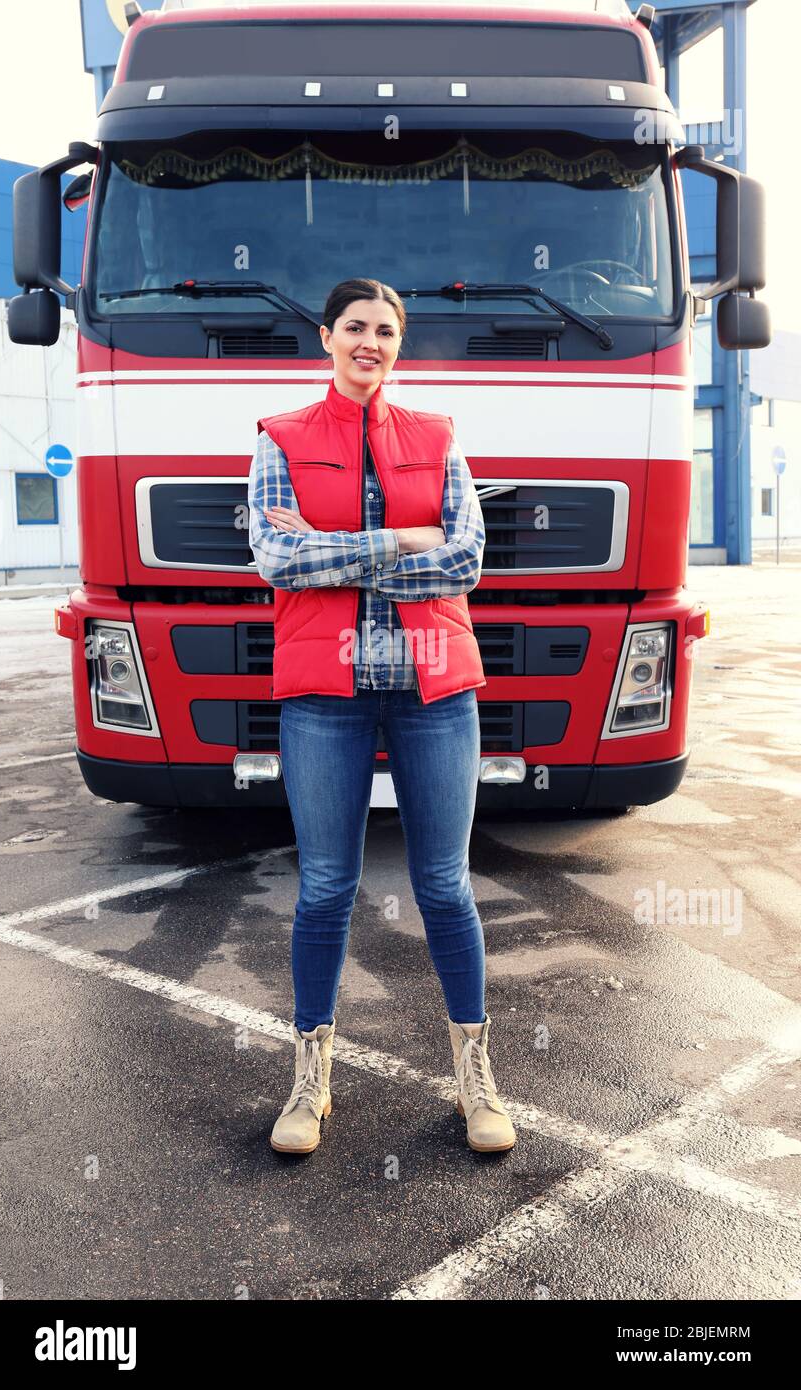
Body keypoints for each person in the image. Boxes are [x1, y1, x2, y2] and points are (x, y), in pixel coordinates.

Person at [248, 277, 516, 1157]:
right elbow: (277, 559)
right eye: (355, 327)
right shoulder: (280, 438)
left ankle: (477, 1079)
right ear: (326, 337)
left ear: (401, 344)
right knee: (325, 888)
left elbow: (466, 560)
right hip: (324, 692)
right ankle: (310, 1081)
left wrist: (345, 557)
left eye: (387, 331)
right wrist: (400, 542)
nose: (370, 342)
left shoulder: (437, 438)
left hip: (434, 686)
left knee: (445, 886)